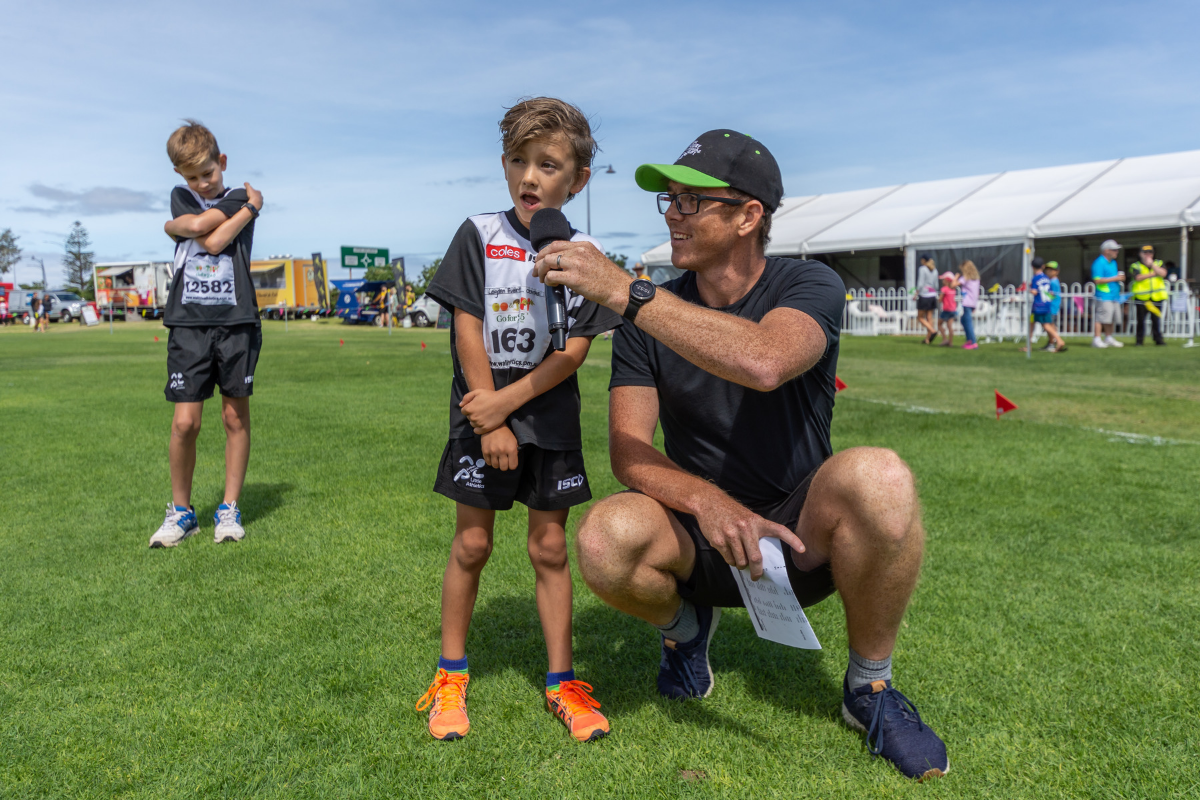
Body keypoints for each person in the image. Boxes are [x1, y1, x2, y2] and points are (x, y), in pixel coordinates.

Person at [533, 129, 949, 780]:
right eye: (668, 200)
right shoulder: (651, 313)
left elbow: (766, 360)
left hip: (798, 536)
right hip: (699, 532)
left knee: (880, 476)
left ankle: (869, 689)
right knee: (603, 538)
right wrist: (707, 501)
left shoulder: (808, 283)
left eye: (690, 201)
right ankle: (686, 632)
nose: (672, 212)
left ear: (749, 214)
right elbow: (627, 447)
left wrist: (626, 293)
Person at [418, 97, 622, 744]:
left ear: (578, 180)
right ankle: (451, 675)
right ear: (504, 165)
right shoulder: (479, 233)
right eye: (518, 161)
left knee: (550, 548)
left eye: (548, 164)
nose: (530, 177)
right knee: (473, 545)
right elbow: (468, 328)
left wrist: (513, 406)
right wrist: (491, 417)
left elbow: (575, 351)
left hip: (548, 419)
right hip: (482, 415)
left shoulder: (587, 253)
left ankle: (562, 681)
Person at [149, 120, 263, 548]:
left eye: (208, 172)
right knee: (184, 424)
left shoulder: (237, 195)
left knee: (235, 417)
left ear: (223, 162)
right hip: (188, 324)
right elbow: (200, 231)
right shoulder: (185, 198)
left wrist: (244, 210)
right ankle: (181, 513)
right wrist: (249, 210)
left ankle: (228, 508)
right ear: (180, 176)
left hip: (236, 323)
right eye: (193, 176)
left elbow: (208, 239)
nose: (202, 181)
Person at [1022, 257, 1065, 353]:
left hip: (1038, 305)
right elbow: (1047, 292)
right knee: (1032, 322)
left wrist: (1028, 289)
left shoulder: (1035, 278)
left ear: (1032, 267)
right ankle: (1028, 345)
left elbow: (1034, 292)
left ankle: (1059, 340)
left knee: (1046, 325)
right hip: (1045, 304)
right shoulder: (1047, 278)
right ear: (1043, 266)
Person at [1129, 245, 1167, 346]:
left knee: (1156, 320)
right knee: (1140, 321)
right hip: (1142, 297)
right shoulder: (1135, 265)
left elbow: (1163, 273)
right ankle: (1139, 341)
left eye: (1150, 252)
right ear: (1140, 254)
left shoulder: (1159, 263)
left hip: (1156, 297)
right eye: (1145, 252)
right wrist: (1154, 273)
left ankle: (1158, 340)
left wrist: (1153, 266)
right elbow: (1138, 277)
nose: (1148, 254)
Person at [1090, 239, 1125, 348]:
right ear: (1106, 251)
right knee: (1101, 318)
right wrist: (1115, 278)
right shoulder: (1099, 262)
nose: (1117, 252)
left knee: (1111, 318)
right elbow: (1097, 280)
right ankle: (1097, 339)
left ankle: (1108, 338)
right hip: (1103, 295)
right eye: (1114, 250)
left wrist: (1118, 279)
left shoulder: (1113, 262)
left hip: (1114, 295)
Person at [956, 260, 980, 349]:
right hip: (972, 302)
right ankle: (969, 341)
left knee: (968, 322)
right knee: (964, 320)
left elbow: (953, 285)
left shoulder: (965, 278)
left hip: (967, 303)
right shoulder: (976, 279)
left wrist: (956, 277)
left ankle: (973, 342)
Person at [915, 254, 938, 343]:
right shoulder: (935, 270)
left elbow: (920, 283)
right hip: (932, 295)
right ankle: (928, 339)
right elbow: (936, 285)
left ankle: (932, 330)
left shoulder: (922, 269)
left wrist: (916, 293)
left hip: (924, 295)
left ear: (923, 261)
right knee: (929, 317)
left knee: (920, 317)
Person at [937, 272, 957, 347]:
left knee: (939, 324)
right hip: (953, 310)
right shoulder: (953, 290)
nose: (942, 281)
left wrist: (939, 299)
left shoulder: (944, 289)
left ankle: (945, 339)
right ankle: (950, 342)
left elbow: (940, 299)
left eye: (943, 280)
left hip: (946, 310)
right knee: (950, 326)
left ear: (947, 281)